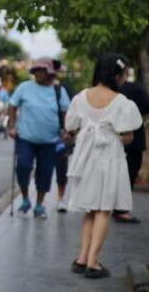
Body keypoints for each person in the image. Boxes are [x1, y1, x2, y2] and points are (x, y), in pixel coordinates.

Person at [65, 53, 143, 279]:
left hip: (86, 157)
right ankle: (93, 262)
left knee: (90, 209)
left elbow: (71, 125)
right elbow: (128, 136)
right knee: (103, 209)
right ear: (117, 75)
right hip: (109, 156)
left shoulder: (80, 97)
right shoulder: (121, 102)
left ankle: (81, 257)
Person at [7, 58, 70, 218]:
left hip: (49, 141)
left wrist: (66, 131)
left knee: (45, 172)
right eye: (35, 71)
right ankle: (26, 198)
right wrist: (12, 127)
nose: (37, 74)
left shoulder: (58, 91)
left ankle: (39, 205)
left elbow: (66, 113)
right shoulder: (24, 87)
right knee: (23, 166)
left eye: (40, 71)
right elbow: (12, 106)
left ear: (49, 73)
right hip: (25, 138)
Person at [112, 76, 149, 223]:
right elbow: (147, 106)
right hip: (134, 136)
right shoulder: (135, 88)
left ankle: (110, 205)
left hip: (111, 135)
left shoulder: (106, 90)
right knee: (129, 172)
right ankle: (121, 209)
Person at [52, 59, 76, 213]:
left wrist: (68, 131)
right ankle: (37, 199)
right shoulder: (31, 88)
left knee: (61, 167)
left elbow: (70, 111)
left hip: (59, 135)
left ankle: (60, 199)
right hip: (38, 136)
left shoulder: (62, 89)